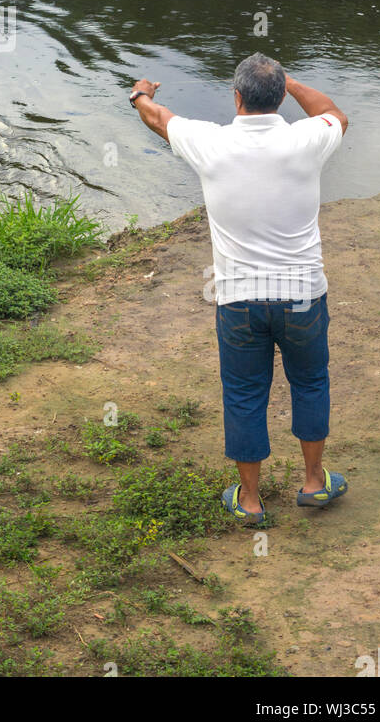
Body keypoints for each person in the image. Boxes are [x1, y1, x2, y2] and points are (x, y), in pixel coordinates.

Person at [129, 53, 349, 527]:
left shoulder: (209, 142)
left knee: (245, 393)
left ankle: (249, 500)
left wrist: (140, 91)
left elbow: (155, 117)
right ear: (278, 97)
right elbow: (334, 113)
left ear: (236, 96)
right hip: (303, 294)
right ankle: (314, 483)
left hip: (238, 300)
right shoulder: (306, 139)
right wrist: (288, 81)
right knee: (310, 383)